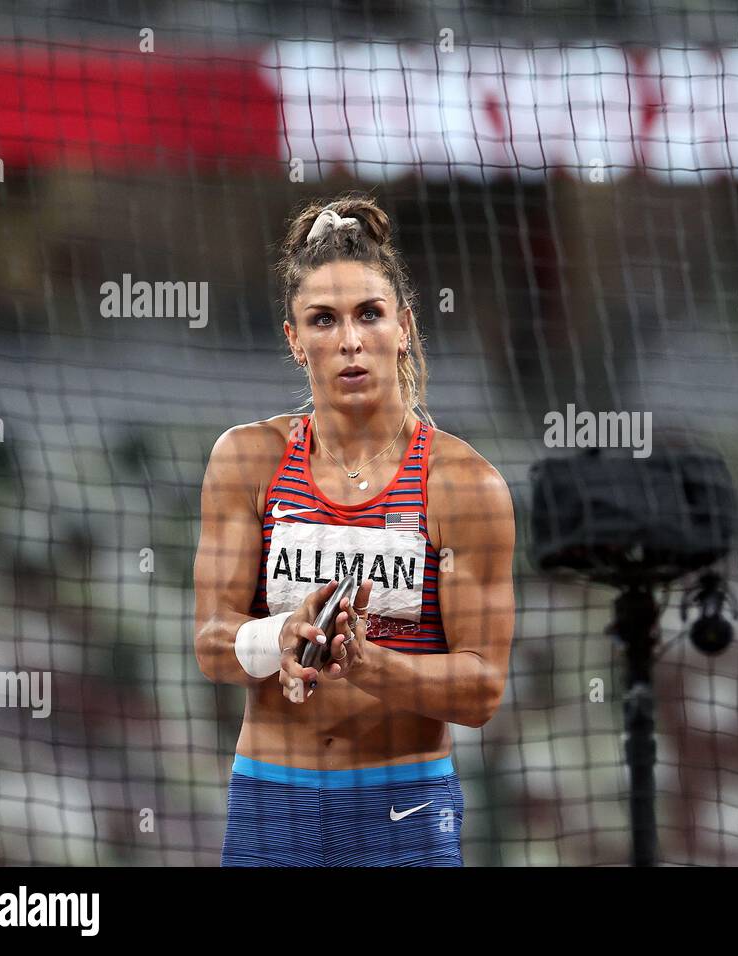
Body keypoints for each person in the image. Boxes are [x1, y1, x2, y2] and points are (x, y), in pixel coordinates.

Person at [193, 193, 516, 866]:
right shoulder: (247, 460)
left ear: (403, 325)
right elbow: (211, 644)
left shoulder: (464, 485)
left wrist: (370, 666)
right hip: (271, 801)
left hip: (404, 808)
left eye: (369, 314)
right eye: (323, 319)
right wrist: (275, 636)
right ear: (293, 338)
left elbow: (483, 688)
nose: (349, 340)